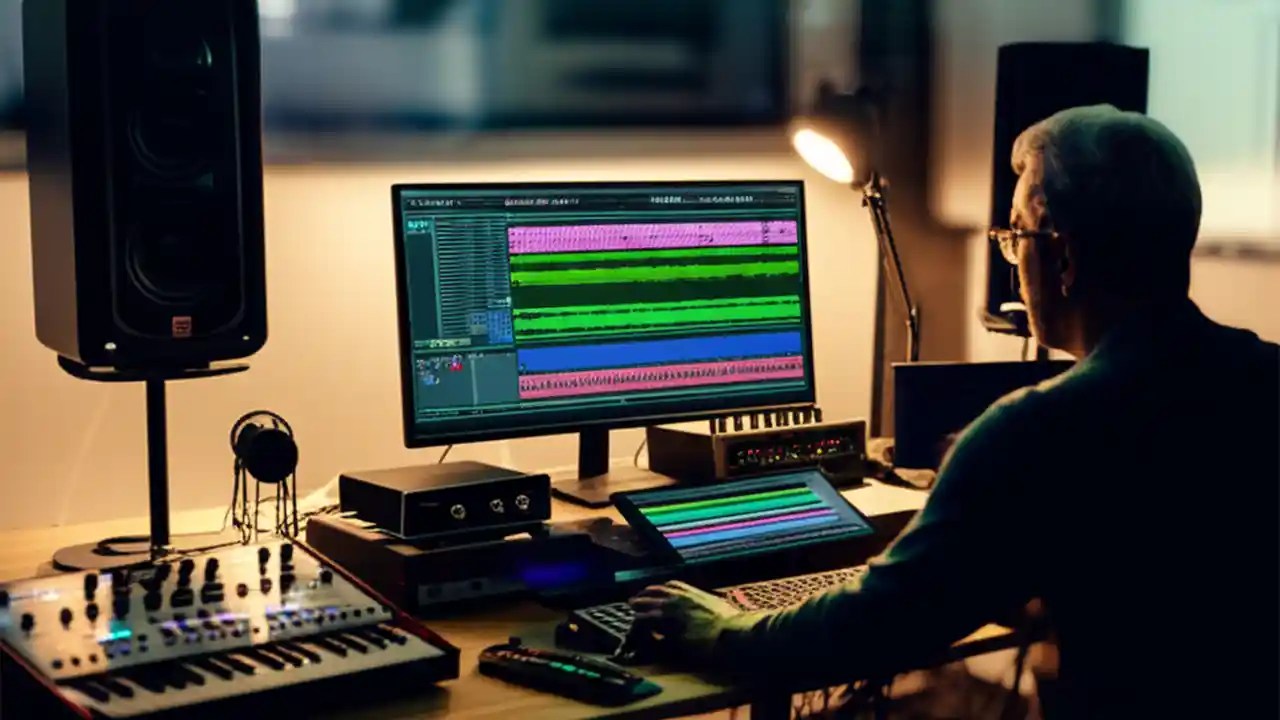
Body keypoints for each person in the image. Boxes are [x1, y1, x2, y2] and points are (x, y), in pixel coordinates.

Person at [627, 105, 1280, 718]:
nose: (1011, 255)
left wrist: (725, 628)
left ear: (1064, 257)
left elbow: (878, 624)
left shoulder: (1037, 432)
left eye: (1015, 234)